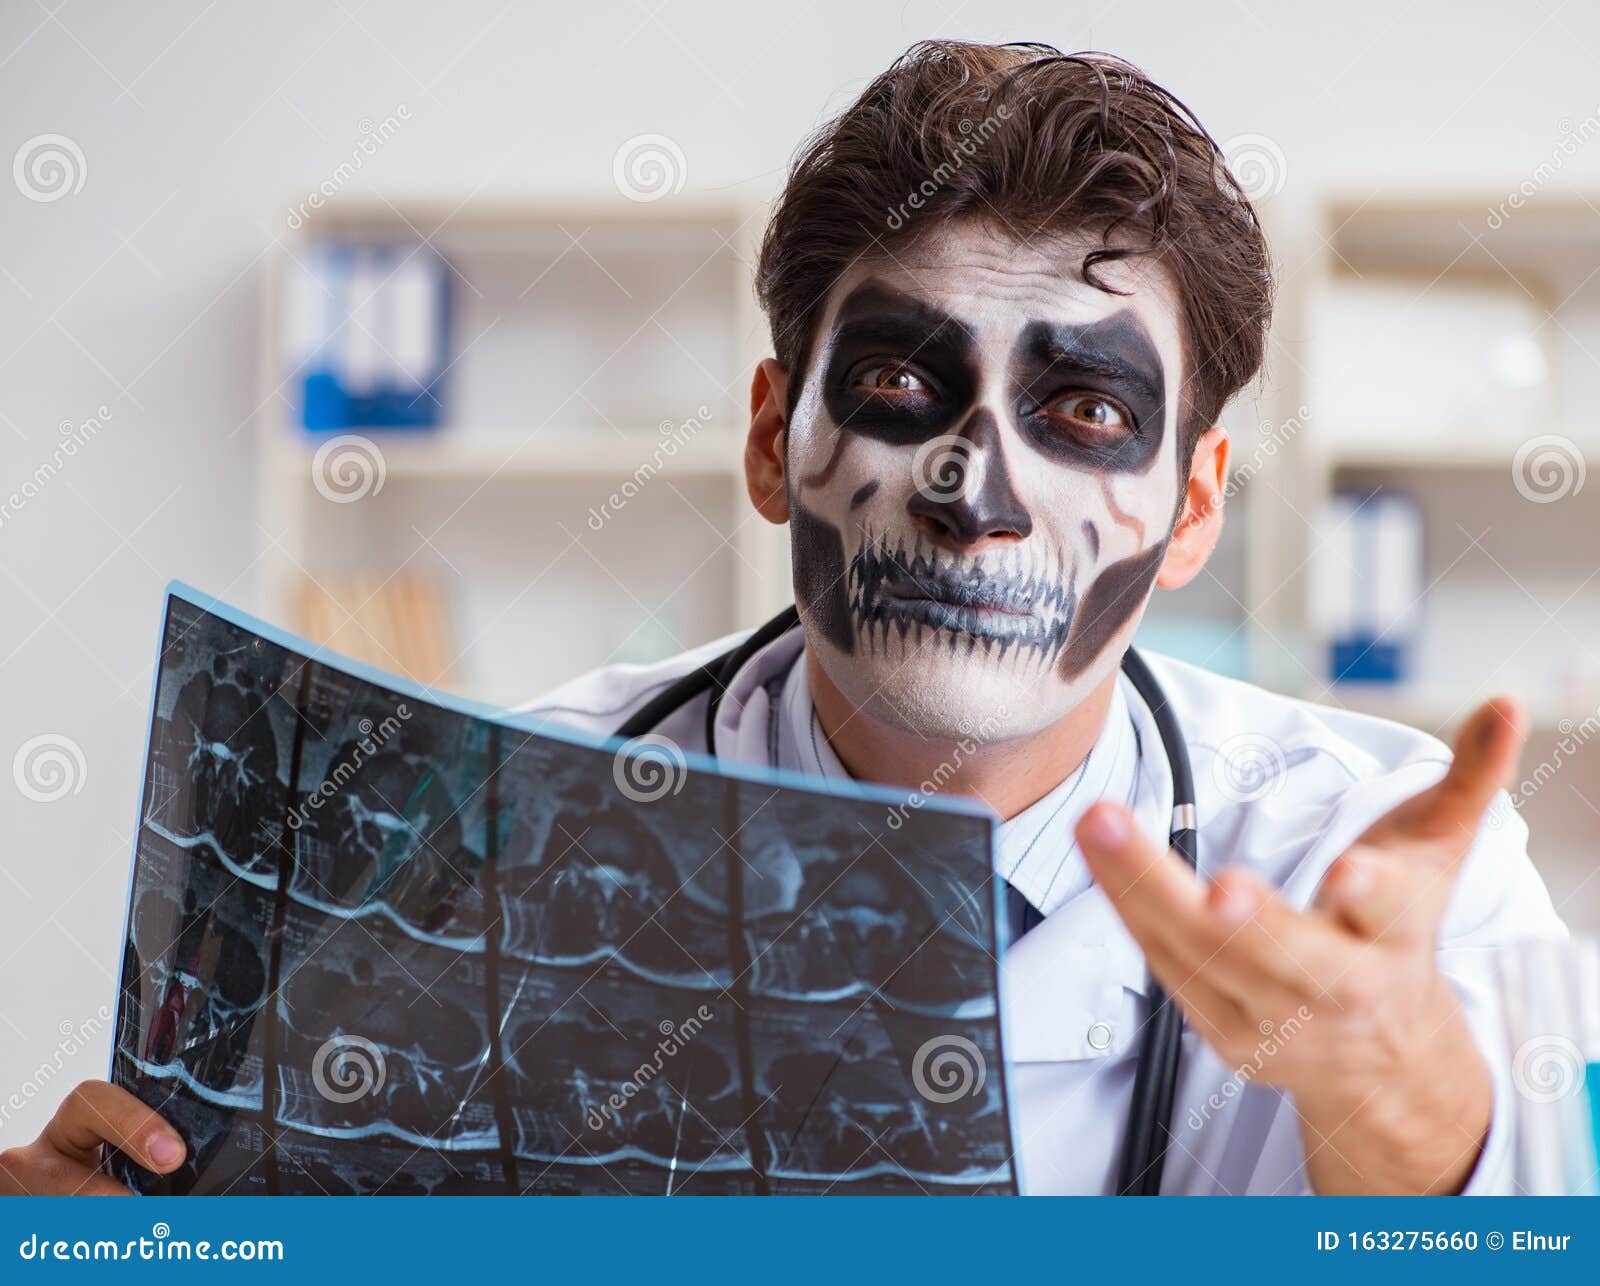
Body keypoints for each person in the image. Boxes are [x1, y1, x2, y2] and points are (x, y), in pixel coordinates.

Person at [1, 39, 1563, 1197]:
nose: (977, 486)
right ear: (769, 437)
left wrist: (1415, 1116)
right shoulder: (453, 844)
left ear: (1193, 507)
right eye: (900, 384)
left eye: (1084, 406)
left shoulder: (1379, 881)